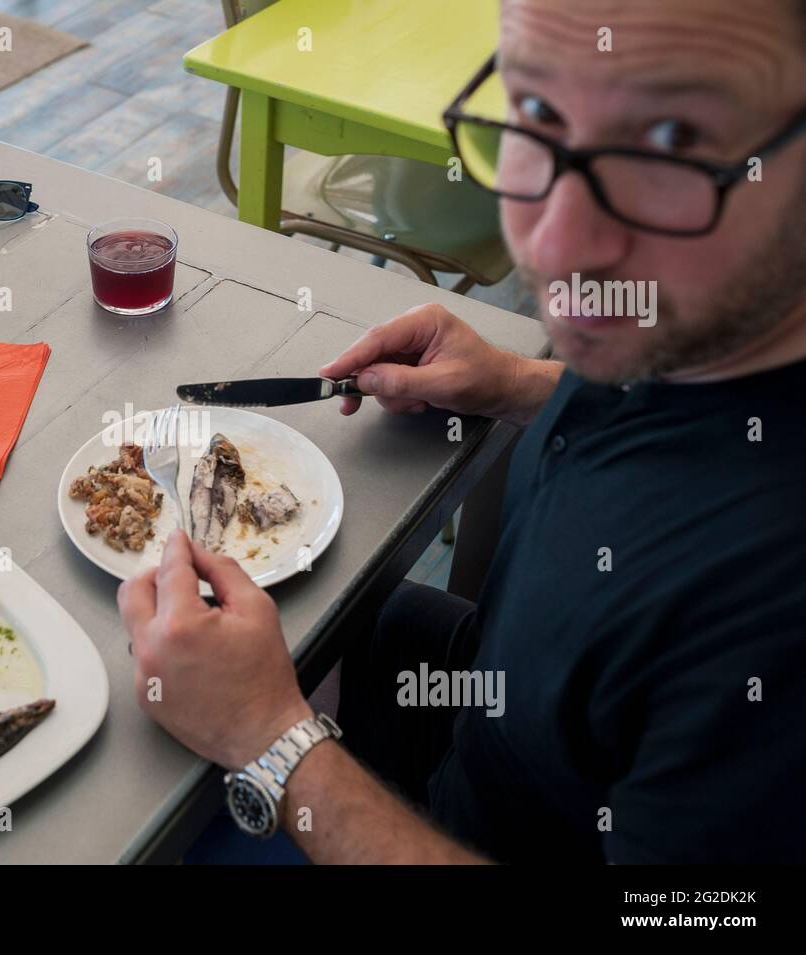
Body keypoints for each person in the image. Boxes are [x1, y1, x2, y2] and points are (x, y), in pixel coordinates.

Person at [118, 0, 806, 863]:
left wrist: (272, 739)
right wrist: (522, 383)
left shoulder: (770, 630)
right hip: (486, 704)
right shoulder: (703, 336)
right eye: (539, 115)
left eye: (670, 144)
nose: (552, 247)